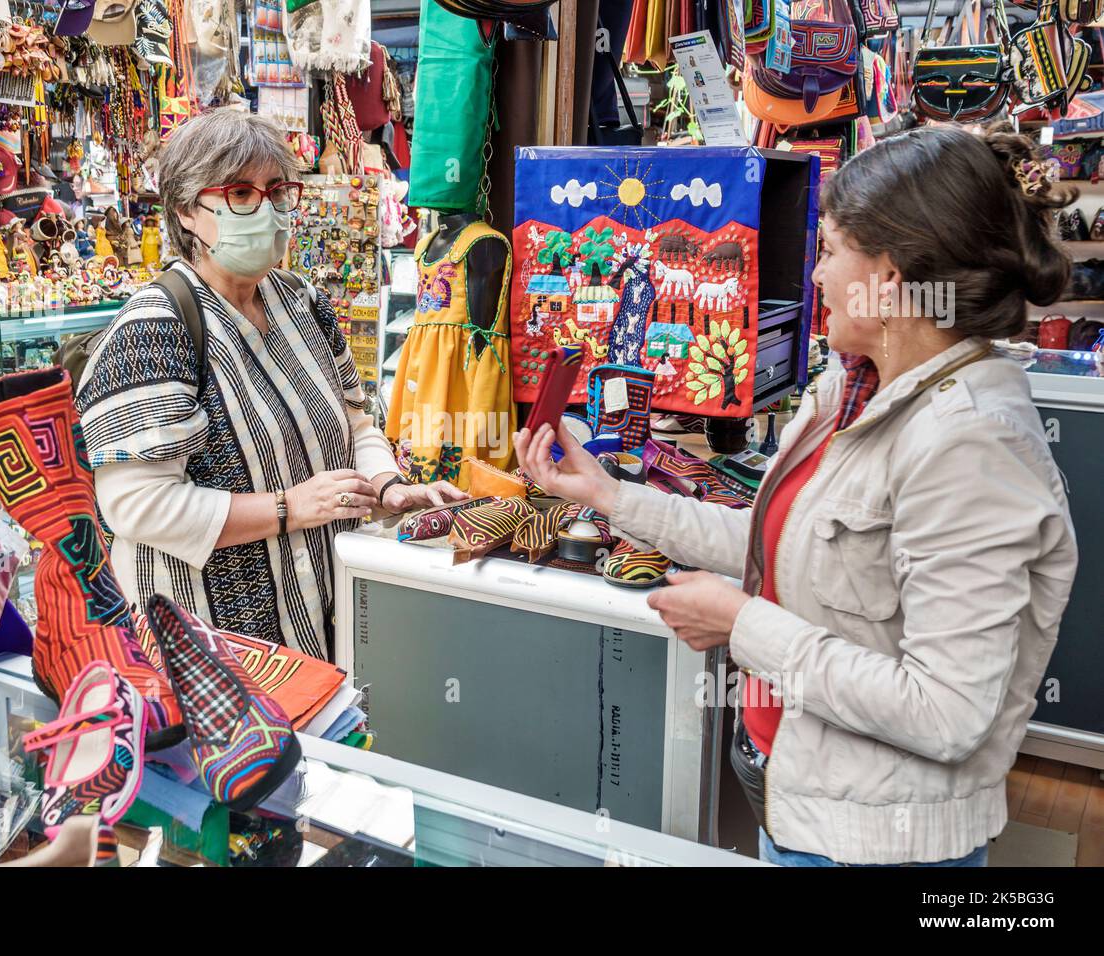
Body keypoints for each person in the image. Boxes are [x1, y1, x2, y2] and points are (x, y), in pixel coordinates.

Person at [515, 124, 1078, 867]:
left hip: (879, 844)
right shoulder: (853, 388)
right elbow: (778, 539)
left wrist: (742, 624)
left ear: (895, 274)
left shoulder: (969, 444)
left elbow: (947, 712)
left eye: (831, 250)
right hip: (803, 804)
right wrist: (607, 494)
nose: (814, 277)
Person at [75, 108, 464, 661]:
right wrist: (286, 508)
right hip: (209, 648)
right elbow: (136, 506)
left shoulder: (301, 301)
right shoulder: (154, 329)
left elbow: (355, 420)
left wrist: (385, 486)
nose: (265, 210)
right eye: (239, 193)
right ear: (187, 211)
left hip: (319, 620)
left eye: (277, 191)